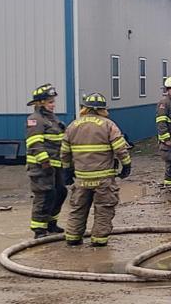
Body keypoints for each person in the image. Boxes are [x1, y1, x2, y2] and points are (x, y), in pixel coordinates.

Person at [60, 92, 131, 246]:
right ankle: (99, 241)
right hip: (103, 178)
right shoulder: (108, 125)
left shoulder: (73, 125)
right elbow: (120, 149)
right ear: (103, 109)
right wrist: (126, 165)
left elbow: (64, 152)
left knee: (78, 209)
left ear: (84, 108)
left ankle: (73, 238)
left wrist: (66, 171)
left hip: (81, 178)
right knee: (104, 209)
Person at [25, 83, 67, 238]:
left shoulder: (53, 120)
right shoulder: (35, 120)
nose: (53, 105)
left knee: (60, 192)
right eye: (50, 102)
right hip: (41, 167)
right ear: (40, 103)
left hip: (56, 165)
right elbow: (35, 143)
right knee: (44, 195)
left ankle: (51, 223)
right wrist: (44, 162)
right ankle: (39, 229)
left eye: (53, 101)